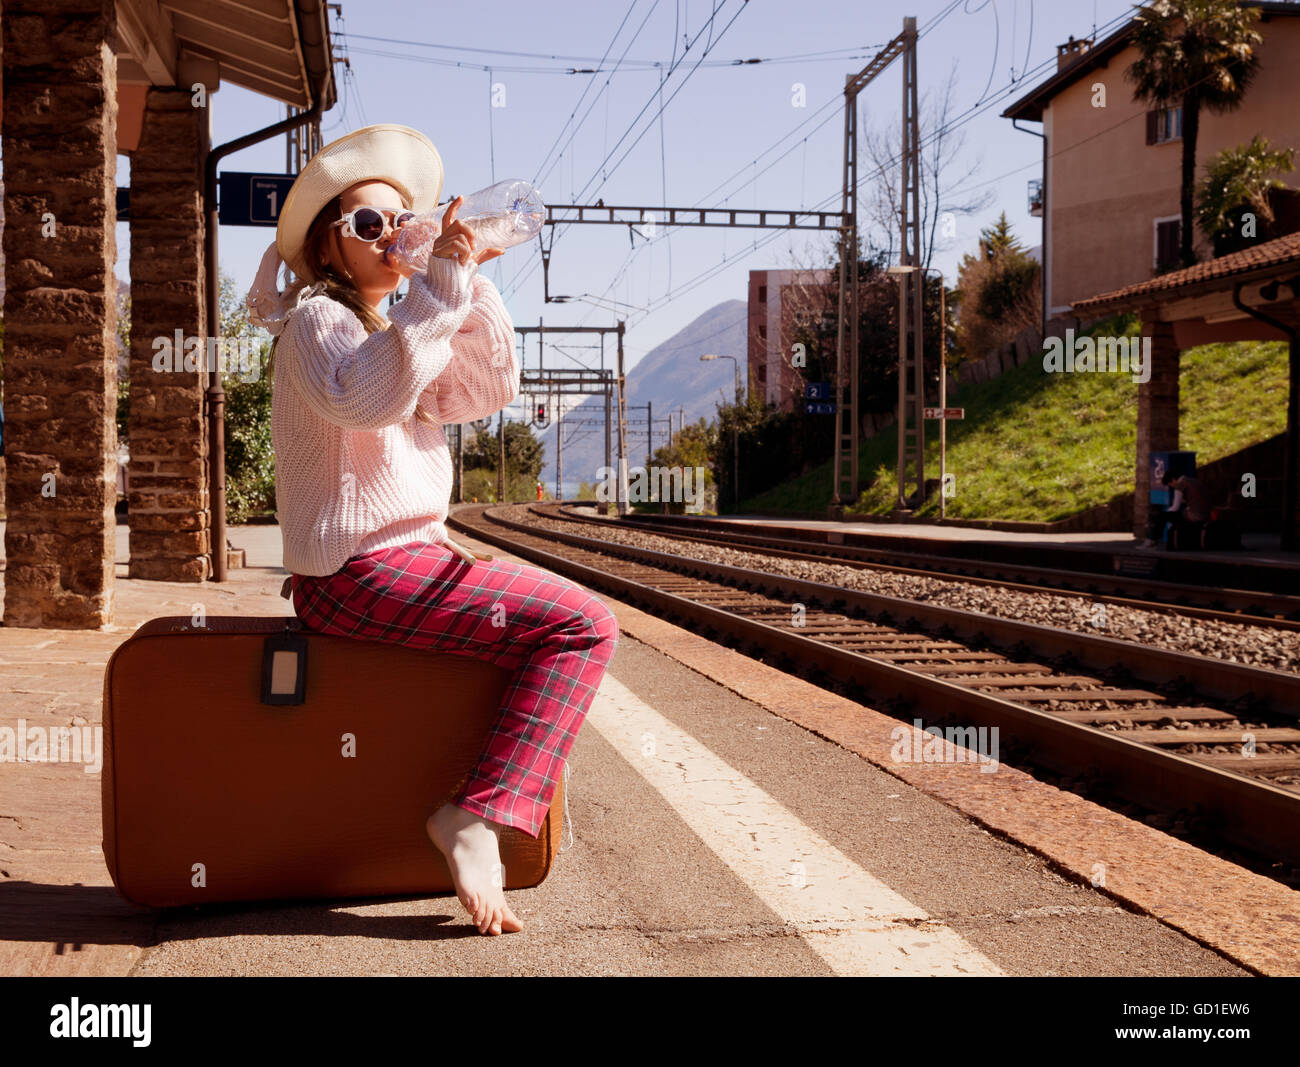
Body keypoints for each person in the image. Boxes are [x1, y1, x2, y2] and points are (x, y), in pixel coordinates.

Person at [247, 125, 618, 937]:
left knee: (570, 623)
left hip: (396, 566)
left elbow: (483, 389)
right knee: (584, 623)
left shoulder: (392, 331)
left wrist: (469, 280)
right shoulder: (316, 326)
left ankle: (478, 812)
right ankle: (476, 817)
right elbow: (366, 401)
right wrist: (438, 287)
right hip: (356, 571)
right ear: (329, 251)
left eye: (399, 218)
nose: (391, 236)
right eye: (367, 226)